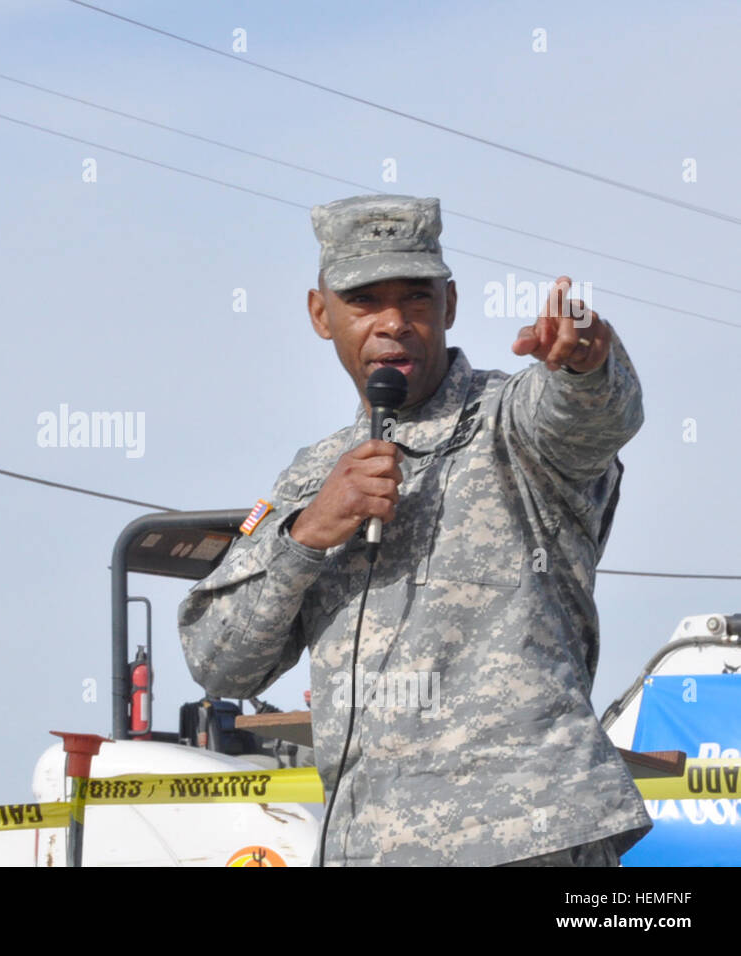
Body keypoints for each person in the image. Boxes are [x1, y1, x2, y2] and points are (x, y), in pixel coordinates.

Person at [177, 194, 653, 866]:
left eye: (416, 299)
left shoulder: (509, 422)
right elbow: (220, 662)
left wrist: (583, 363)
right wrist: (309, 534)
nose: (394, 323)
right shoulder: (309, 479)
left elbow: (587, 419)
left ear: (449, 305)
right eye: (366, 301)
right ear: (322, 315)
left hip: (529, 838)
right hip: (370, 848)